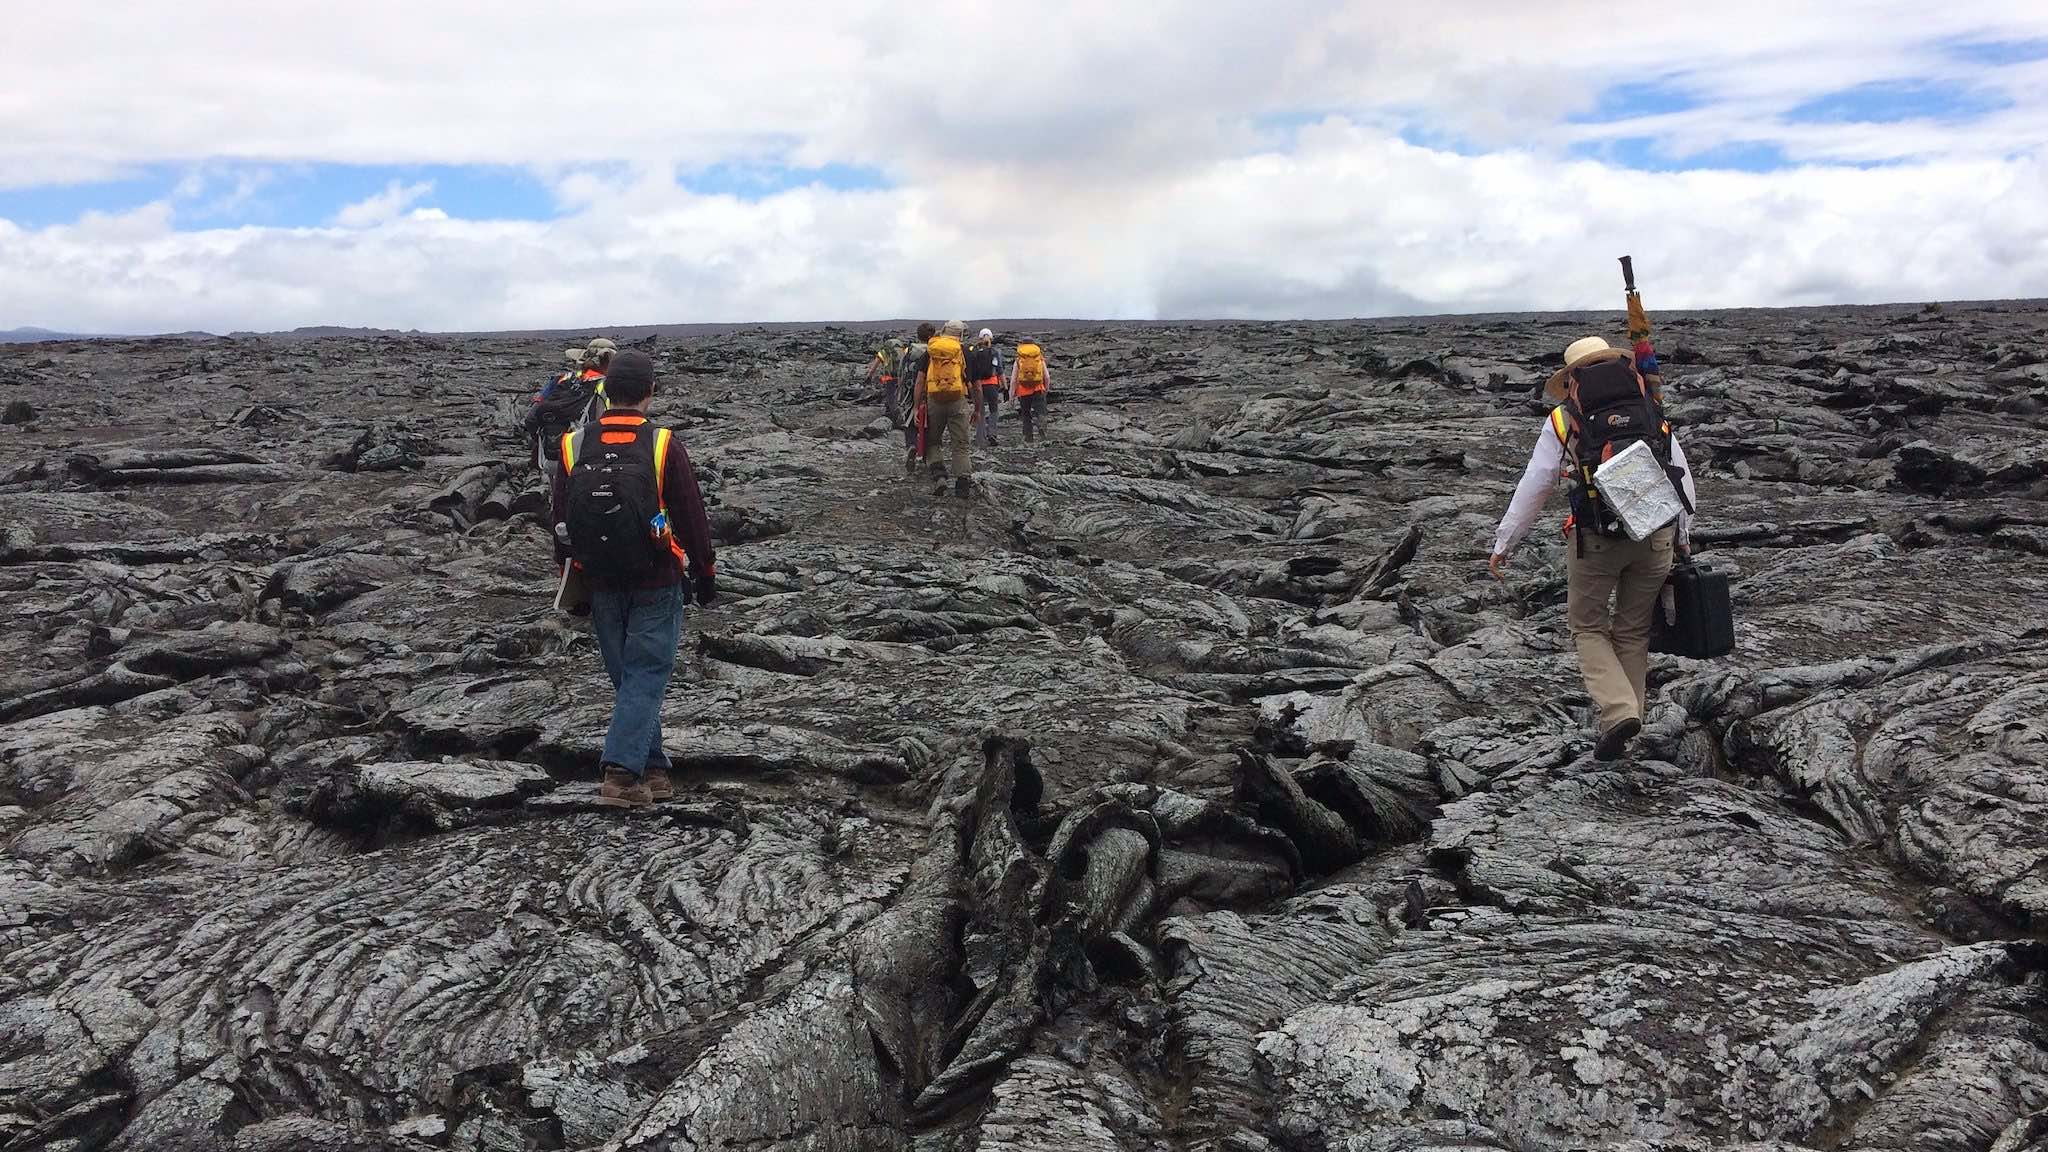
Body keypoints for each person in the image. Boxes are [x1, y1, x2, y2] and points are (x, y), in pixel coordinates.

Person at [1488, 333, 1696, 762]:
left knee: (1587, 627)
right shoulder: (1650, 407)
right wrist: (1682, 536)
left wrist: (1505, 541)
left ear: (1572, 380)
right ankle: (1628, 718)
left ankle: (1619, 712)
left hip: (1597, 538)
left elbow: (1537, 483)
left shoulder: (1564, 419)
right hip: (1656, 535)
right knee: (1633, 630)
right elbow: (1682, 477)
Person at [550, 349, 716, 808]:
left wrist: (569, 578)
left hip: (599, 577)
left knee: (630, 676)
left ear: (605, 390)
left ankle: (653, 768)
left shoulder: (573, 444)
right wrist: (705, 572)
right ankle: (622, 774)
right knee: (646, 672)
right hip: (656, 577)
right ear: (650, 391)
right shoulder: (662, 444)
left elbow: (560, 520)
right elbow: (692, 516)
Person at [526, 337, 617, 473]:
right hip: (587, 463)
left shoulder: (562, 379)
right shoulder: (608, 387)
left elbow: (531, 418)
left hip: (552, 461)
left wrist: (544, 443)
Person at [915, 320, 975, 496]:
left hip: (934, 401)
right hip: (958, 400)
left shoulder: (931, 350)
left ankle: (939, 475)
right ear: (961, 334)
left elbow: (919, 381)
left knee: (932, 440)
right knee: (960, 444)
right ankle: (962, 484)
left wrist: (916, 407)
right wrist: (978, 407)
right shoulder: (964, 351)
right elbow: (976, 385)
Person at [899, 323, 936, 473]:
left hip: (910, 391)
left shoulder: (909, 350)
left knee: (910, 422)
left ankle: (911, 446)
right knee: (929, 425)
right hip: (930, 392)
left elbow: (902, 371)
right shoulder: (935, 351)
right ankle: (926, 457)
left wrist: (901, 391)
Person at [1009, 340, 1052, 443]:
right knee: (1041, 411)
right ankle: (1042, 427)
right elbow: (1047, 376)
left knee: (1026, 414)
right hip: (1038, 389)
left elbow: (1014, 380)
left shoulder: (1019, 360)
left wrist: (1011, 395)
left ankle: (1028, 437)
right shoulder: (1039, 358)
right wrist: (1046, 389)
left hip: (1023, 391)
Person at [967, 327, 1004, 447]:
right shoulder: (995, 352)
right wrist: (1005, 385)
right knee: (994, 410)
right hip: (992, 385)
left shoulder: (974, 351)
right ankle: (992, 434)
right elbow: (999, 370)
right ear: (991, 338)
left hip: (977, 385)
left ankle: (980, 438)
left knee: (980, 411)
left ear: (979, 338)